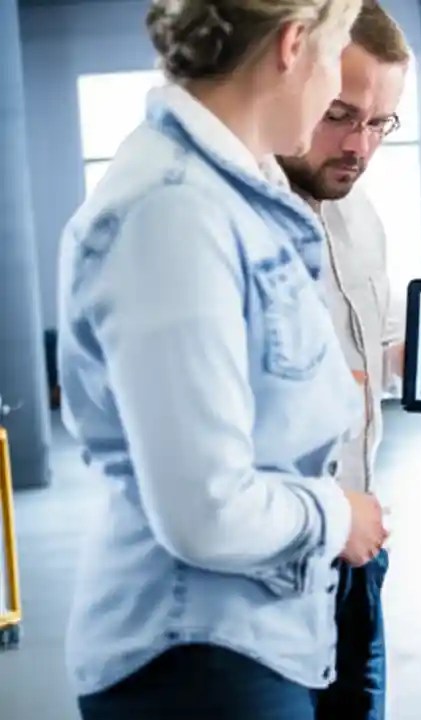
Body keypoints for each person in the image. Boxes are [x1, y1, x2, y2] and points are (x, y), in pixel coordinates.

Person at [56, 0, 390, 717]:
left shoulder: (237, 194)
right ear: (295, 45)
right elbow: (204, 508)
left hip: (251, 637)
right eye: (333, 63)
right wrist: (338, 513)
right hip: (197, 657)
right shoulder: (173, 212)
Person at [275, 2, 408, 716]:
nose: (360, 145)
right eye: (340, 114)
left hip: (359, 548)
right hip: (275, 566)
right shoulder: (240, 222)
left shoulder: (359, 215)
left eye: (380, 123)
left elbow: (384, 345)